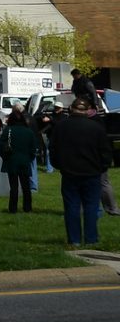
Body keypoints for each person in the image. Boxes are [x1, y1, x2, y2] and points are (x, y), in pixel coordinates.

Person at [50, 98, 110, 247]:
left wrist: (59, 166)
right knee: (91, 207)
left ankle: (74, 239)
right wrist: (102, 167)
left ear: (71, 109)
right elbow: (105, 152)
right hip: (92, 173)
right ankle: (91, 238)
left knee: (71, 207)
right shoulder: (96, 128)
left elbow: (53, 150)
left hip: (70, 173)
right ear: (88, 110)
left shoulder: (61, 127)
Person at [0, 107, 38, 214]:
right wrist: (29, 158)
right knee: (26, 186)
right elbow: (33, 149)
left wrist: (5, 157)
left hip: (11, 161)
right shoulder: (28, 132)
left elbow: (1, 146)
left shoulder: (8, 130)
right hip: (25, 161)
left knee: (14, 187)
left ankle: (13, 208)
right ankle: (27, 207)